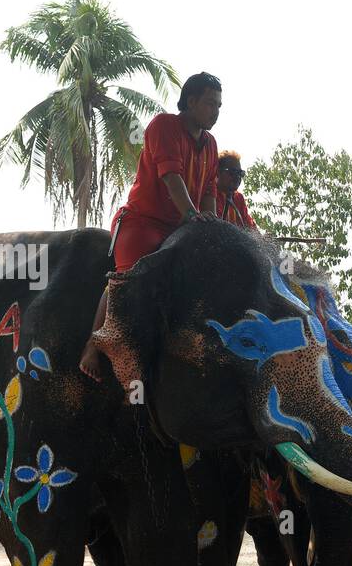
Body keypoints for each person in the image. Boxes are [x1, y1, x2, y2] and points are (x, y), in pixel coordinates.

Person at [79, 72, 223, 380]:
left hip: (184, 227)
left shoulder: (210, 144)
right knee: (126, 281)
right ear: (192, 101)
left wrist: (210, 227)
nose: (216, 111)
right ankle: (95, 343)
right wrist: (193, 216)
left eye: (219, 105)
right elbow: (172, 178)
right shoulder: (163, 126)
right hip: (143, 222)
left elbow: (210, 192)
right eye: (211, 103)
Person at [216, 150, 258, 230]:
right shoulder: (210, 197)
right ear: (218, 172)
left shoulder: (239, 198)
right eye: (233, 172)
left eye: (240, 173)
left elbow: (251, 228)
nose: (237, 177)